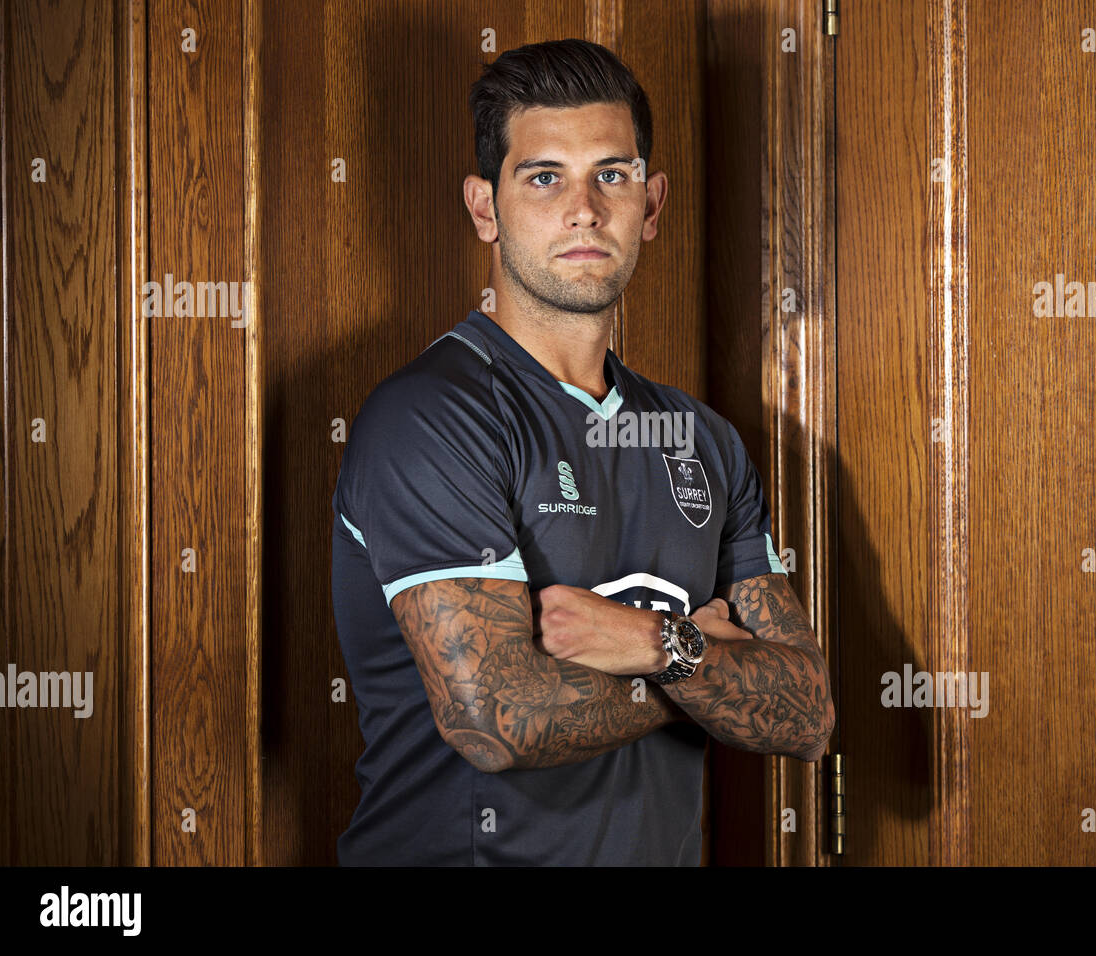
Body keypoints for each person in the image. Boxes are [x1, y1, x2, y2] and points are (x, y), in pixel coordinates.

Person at [330, 37, 834, 866]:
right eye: (543, 177)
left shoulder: (700, 439)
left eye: (613, 173)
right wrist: (703, 660)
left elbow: (808, 711)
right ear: (484, 207)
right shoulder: (432, 416)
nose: (585, 209)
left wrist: (648, 643)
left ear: (653, 201)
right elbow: (496, 719)